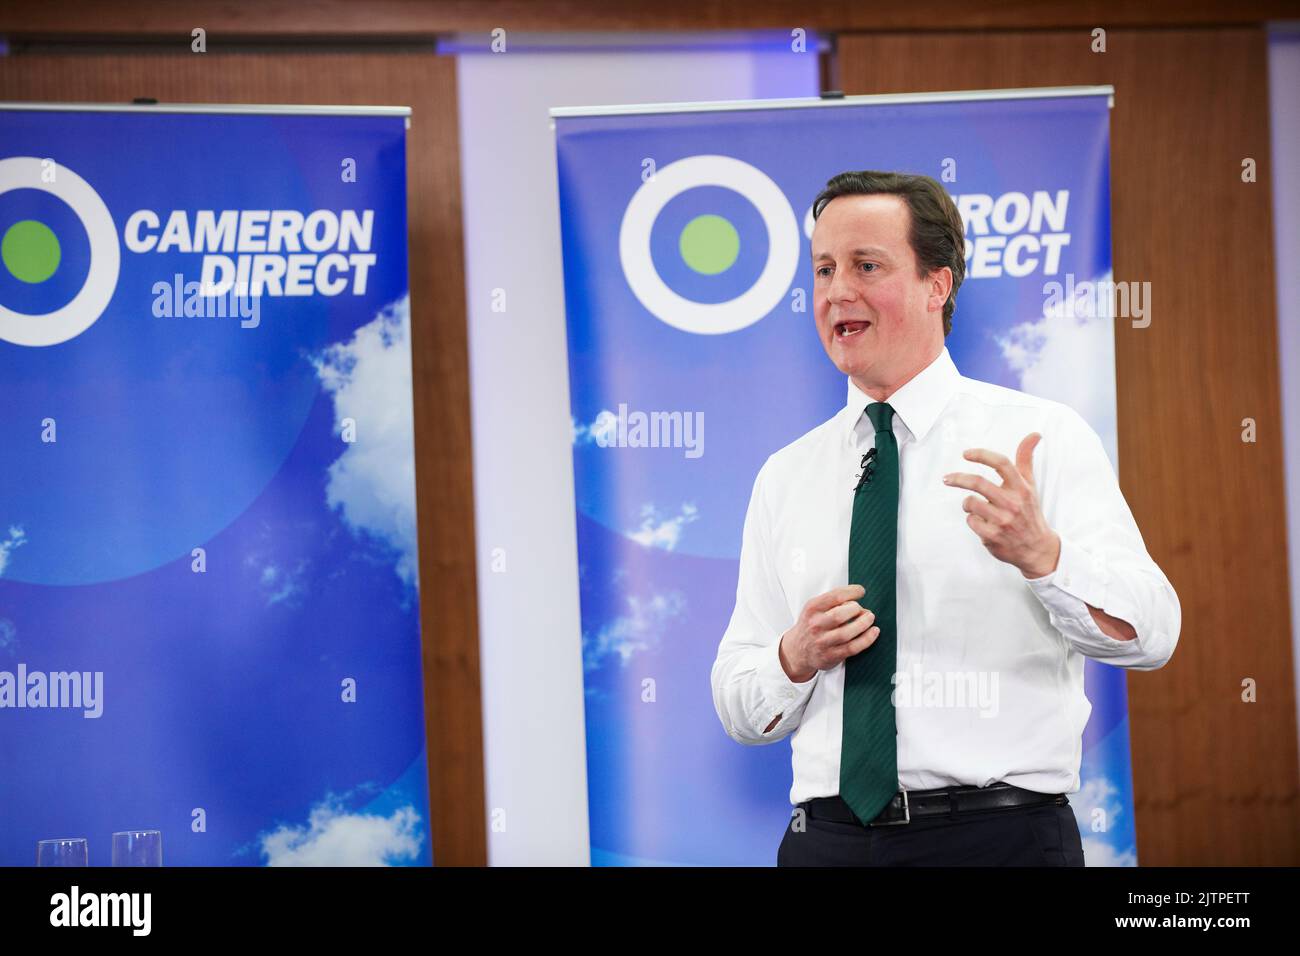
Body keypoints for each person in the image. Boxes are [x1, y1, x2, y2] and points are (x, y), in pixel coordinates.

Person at [709, 170, 1181, 866]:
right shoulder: (787, 475)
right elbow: (738, 701)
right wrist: (794, 656)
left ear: (939, 284)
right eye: (824, 269)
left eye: (867, 265)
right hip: (827, 843)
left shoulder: (1041, 438)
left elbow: (1153, 633)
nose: (838, 290)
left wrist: (1045, 557)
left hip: (998, 840)